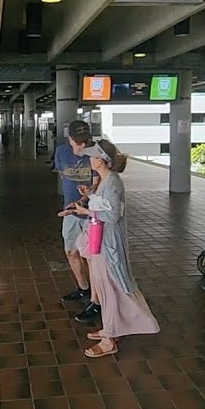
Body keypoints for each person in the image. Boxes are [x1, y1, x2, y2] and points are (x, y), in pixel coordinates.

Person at [60, 140, 159, 357]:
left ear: (101, 161)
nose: (89, 159)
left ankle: (109, 340)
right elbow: (105, 205)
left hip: (108, 244)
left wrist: (86, 212)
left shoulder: (113, 182)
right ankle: (109, 328)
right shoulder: (106, 180)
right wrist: (89, 195)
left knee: (111, 288)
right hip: (100, 241)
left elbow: (112, 215)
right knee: (104, 287)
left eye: (93, 156)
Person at [53, 120, 100, 323]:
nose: (82, 146)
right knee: (71, 252)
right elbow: (63, 175)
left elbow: (99, 181)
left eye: (85, 141)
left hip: (91, 214)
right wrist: (72, 204)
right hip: (71, 212)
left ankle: (96, 301)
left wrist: (82, 200)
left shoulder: (96, 153)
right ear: (69, 138)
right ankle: (83, 289)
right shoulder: (62, 152)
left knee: (92, 260)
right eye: (78, 142)